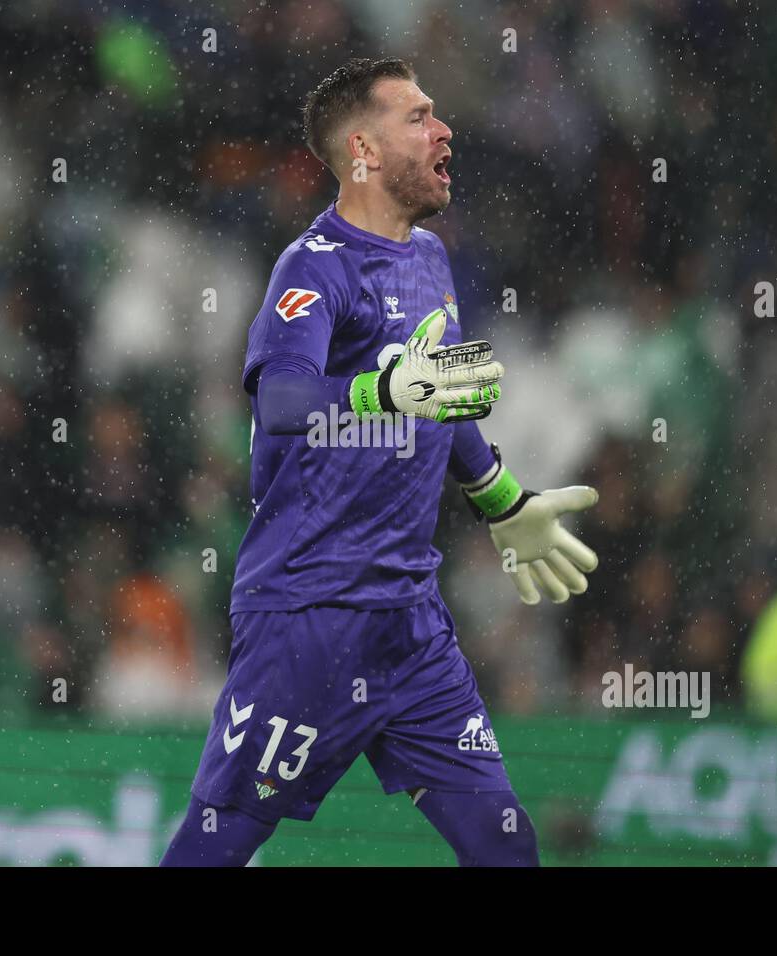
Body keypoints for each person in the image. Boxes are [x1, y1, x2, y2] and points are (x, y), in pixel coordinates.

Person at [161, 58, 600, 867]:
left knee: (506, 845)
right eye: (420, 116)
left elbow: (440, 398)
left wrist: (501, 498)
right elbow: (284, 407)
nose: (445, 130)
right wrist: (384, 390)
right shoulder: (313, 267)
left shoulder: (430, 257)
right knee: (217, 847)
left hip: (410, 623)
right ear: (363, 149)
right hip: (310, 614)